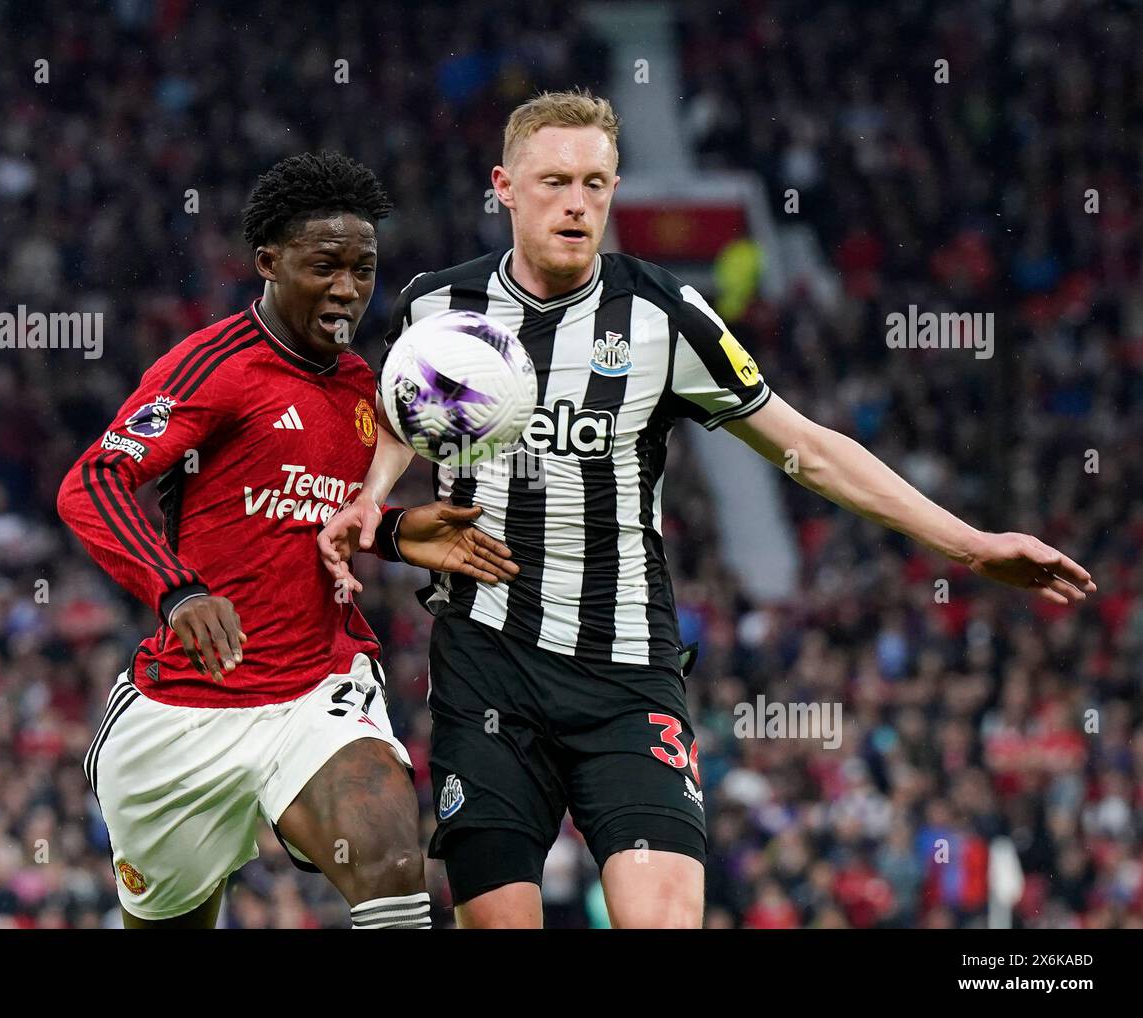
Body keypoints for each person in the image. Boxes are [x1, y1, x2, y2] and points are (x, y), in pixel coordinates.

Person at [318, 90, 1096, 929]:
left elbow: (807, 447)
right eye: (553, 183)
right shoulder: (438, 307)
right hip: (485, 668)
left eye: (595, 182)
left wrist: (971, 545)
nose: (577, 203)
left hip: (626, 674)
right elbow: (408, 409)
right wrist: (371, 496)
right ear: (505, 187)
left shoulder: (665, 316)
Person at [56, 151, 517, 929]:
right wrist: (179, 591)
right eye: (324, 266)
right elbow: (91, 482)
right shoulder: (216, 369)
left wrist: (399, 535)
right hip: (184, 709)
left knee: (391, 856)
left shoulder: (363, 387)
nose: (347, 289)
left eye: (363, 269)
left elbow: (310, 521)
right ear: (267, 262)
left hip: (315, 690)